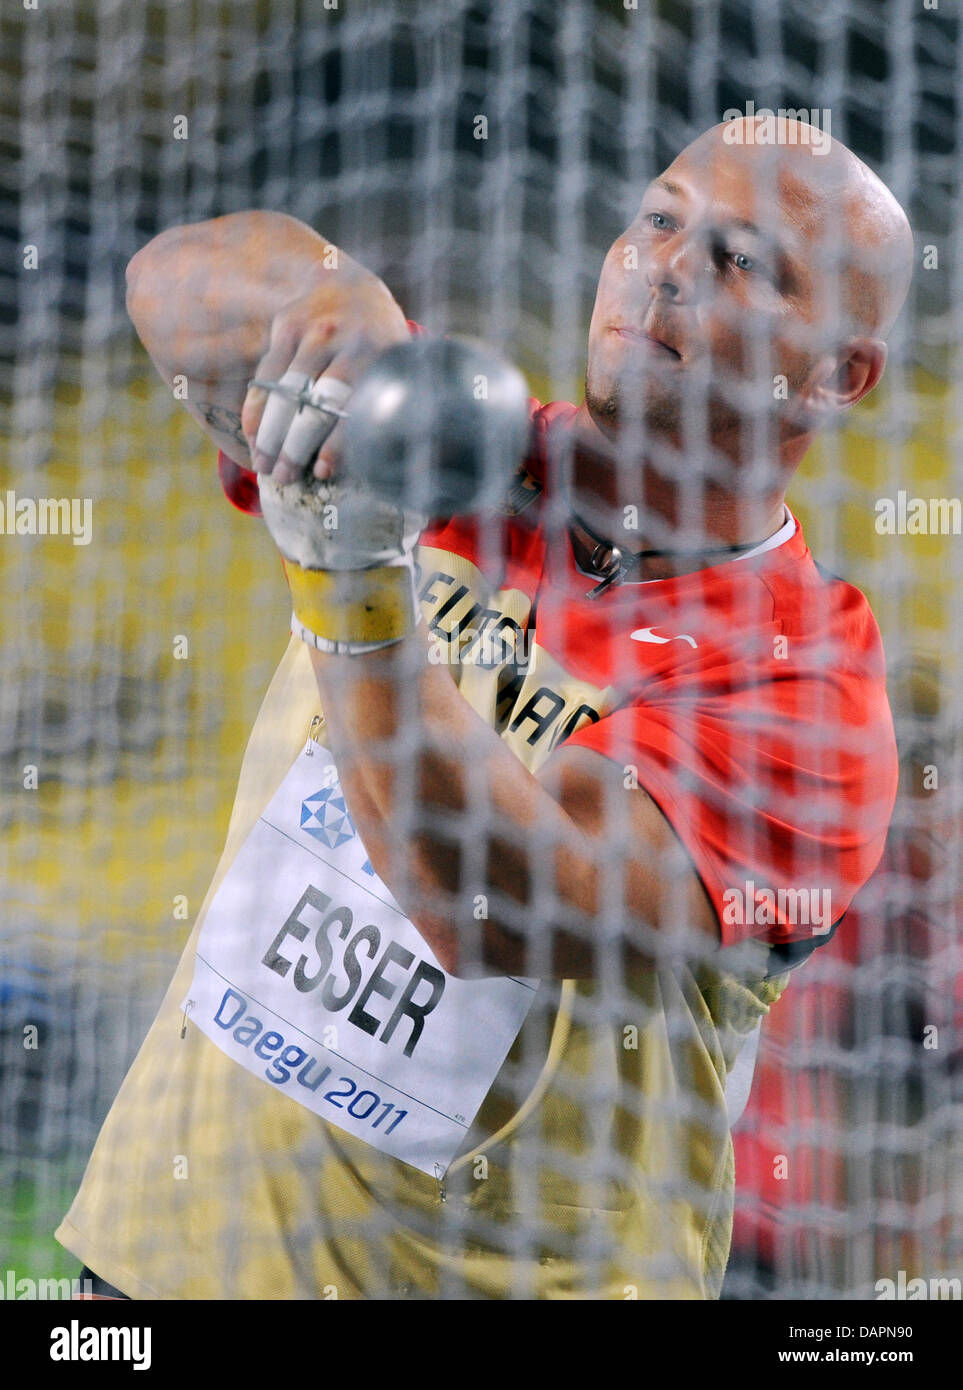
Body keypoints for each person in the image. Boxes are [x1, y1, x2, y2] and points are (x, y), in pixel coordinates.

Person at [58, 116, 912, 1300]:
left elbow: (491, 906)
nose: (666, 264)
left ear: (838, 373)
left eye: (743, 260)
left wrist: (354, 588)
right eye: (658, 219)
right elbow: (170, 283)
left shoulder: (805, 686)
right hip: (162, 1268)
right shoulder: (458, 442)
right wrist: (333, 294)